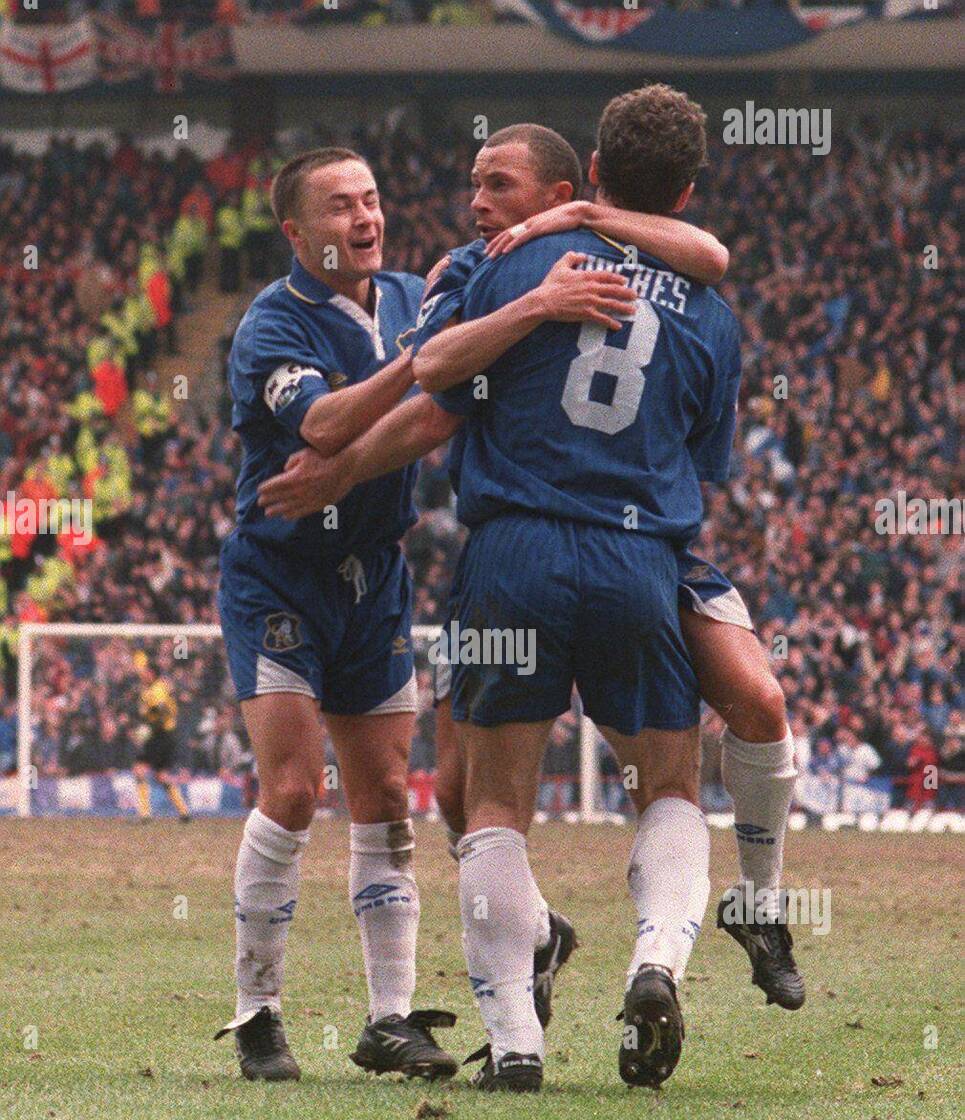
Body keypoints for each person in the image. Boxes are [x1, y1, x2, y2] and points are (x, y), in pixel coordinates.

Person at [262, 119, 803, 1023]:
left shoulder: (503, 269)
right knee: (469, 794)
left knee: (739, 707)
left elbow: (434, 408)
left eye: (499, 187)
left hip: (593, 545)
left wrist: (344, 464)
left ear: (572, 187)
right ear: (686, 188)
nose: (480, 205)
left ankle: (741, 916)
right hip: (613, 547)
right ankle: (548, 935)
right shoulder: (656, 284)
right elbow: (708, 267)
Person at [214, 147, 631, 1082]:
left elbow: (487, 297)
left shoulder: (415, 289)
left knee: (384, 803)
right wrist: (419, 356)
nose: (364, 218)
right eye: (338, 206)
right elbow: (322, 428)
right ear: (295, 231)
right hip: (280, 579)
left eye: (370, 199)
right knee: (290, 791)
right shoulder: (272, 324)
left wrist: (566, 234)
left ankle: (389, 1020)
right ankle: (256, 1016)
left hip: (376, 579)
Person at [131, 653, 192, 823]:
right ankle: (184, 812)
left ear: (151, 673)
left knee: (140, 769)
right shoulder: (150, 688)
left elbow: (162, 711)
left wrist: (145, 729)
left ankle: (144, 815)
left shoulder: (157, 689)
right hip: (163, 735)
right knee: (160, 775)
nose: (142, 674)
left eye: (145, 672)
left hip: (160, 735)